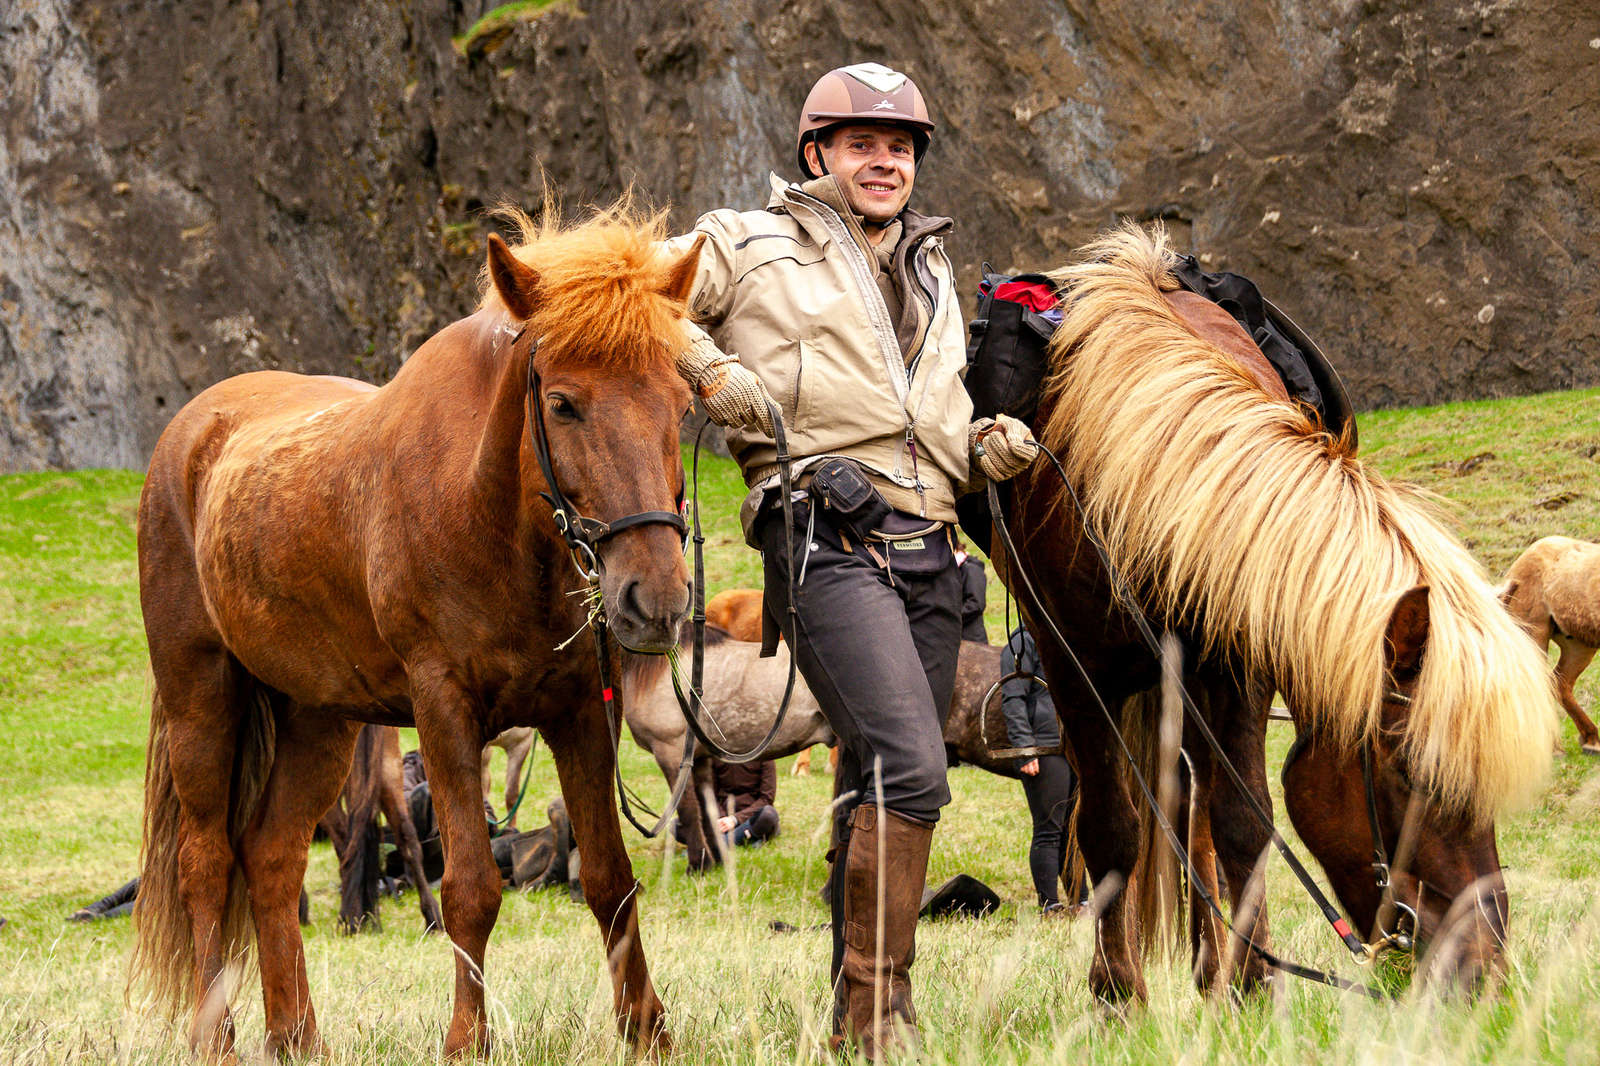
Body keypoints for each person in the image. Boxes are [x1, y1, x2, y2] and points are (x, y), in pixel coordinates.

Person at [663, 62, 1038, 1056]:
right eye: (863, 142)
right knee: (913, 768)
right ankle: (873, 1021)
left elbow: (931, 419)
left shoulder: (926, 264)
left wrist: (983, 442)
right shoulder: (742, 242)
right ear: (814, 151)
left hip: (931, 551)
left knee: (881, 772)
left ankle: (868, 1003)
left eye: (902, 146)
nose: (886, 160)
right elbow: (627, 296)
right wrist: (708, 368)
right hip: (820, 540)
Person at [1000, 626, 1086, 913]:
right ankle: (1050, 905)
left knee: (1073, 830)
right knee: (1049, 828)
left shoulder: (1063, 631)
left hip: (1074, 744)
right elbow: (1013, 696)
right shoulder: (1022, 641)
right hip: (1044, 748)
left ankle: (1081, 901)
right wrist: (1025, 748)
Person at [678, 757, 781, 848]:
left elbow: (766, 799)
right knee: (677, 825)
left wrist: (734, 820)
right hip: (722, 820)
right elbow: (711, 796)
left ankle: (716, 845)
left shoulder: (765, 755)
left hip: (752, 818)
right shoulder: (716, 755)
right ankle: (745, 839)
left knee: (768, 815)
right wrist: (721, 820)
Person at [954, 541, 989, 642]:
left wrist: (951, 618)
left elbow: (976, 604)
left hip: (972, 639)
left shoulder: (971, 569)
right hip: (958, 637)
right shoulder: (956, 570)